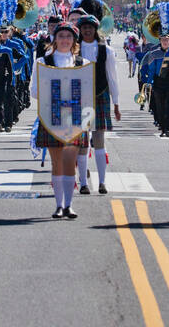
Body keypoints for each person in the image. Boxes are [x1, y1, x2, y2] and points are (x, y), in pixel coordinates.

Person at [31, 21, 88, 219]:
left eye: (69, 36)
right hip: (52, 116)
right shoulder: (42, 62)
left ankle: (69, 205)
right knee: (57, 163)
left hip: (73, 118)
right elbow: (34, 92)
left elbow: (88, 94)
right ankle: (58, 204)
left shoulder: (83, 63)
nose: (65, 40)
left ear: (74, 40)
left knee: (70, 162)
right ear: (55, 39)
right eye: (61, 36)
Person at [76, 13, 121, 195]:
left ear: (95, 30)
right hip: (80, 98)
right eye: (84, 27)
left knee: (99, 140)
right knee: (82, 142)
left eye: (90, 27)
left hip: (100, 95)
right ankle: (83, 183)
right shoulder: (74, 49)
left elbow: (113, 77)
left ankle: (102, 182)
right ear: (80, 30)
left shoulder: (106, 50)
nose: (87, 30)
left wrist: (116, 103)